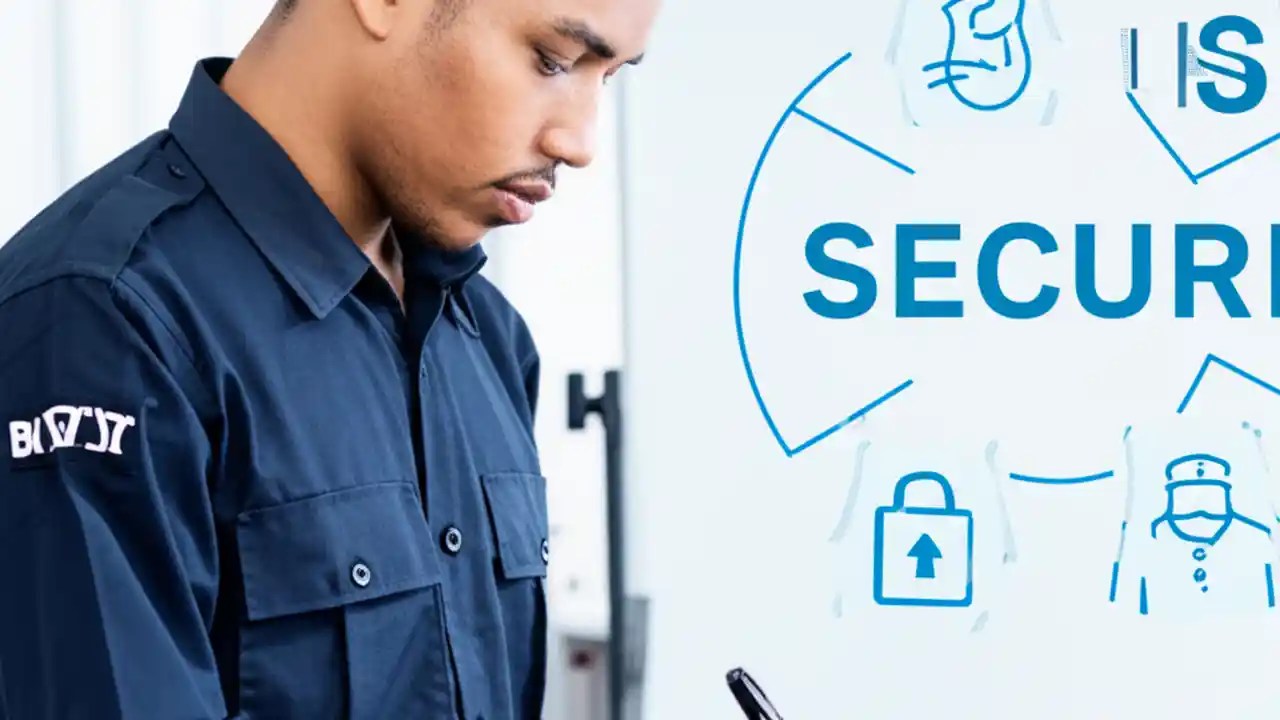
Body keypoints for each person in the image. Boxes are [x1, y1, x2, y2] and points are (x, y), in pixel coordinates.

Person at [0, 0, 658, 717]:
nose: (581, 141)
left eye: (610, 77)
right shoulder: (105, 321)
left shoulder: (486, 338)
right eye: (552, 60)